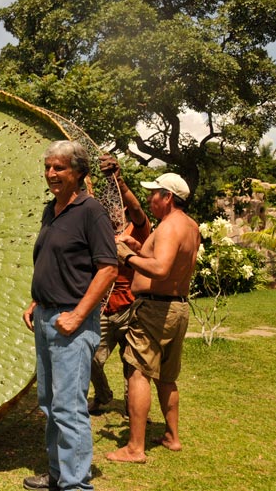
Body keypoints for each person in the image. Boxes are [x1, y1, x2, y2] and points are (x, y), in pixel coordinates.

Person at [22, 141, 118, 491]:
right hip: (47, 317)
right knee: (49, 403)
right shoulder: (52, 210)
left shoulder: (91, 212)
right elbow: (54, 260)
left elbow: (108, 269)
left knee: (68, 407)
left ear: (78, 172)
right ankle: (58, 473)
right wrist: (37, 300)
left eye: (59, 168)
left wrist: (78, 316)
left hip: (71, 324)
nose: (51, 174)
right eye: (48, 167)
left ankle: (76, 485)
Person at [106, 172, 200, 464]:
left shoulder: (170, 226)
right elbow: (168, 261)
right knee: (168, 378)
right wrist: (137, 248)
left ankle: (135, 448)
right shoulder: (190, 226)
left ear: (168, 197)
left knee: (138, 372)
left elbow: (160, 269)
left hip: (156, 310)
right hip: (177, 307)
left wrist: (126, 256)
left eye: (154, 194)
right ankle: (172, 436)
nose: (150, 199)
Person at [88, 157, 151, 414]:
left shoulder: (137, 229)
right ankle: (103, 396)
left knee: (132, 363)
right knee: (90, 358)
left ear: (122, 210)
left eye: (117, 208)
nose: (112, 212)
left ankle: (132, 407)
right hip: (102, 308)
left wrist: (119, 182)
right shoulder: (96, 232)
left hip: (130, 308)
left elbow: (137, 210)